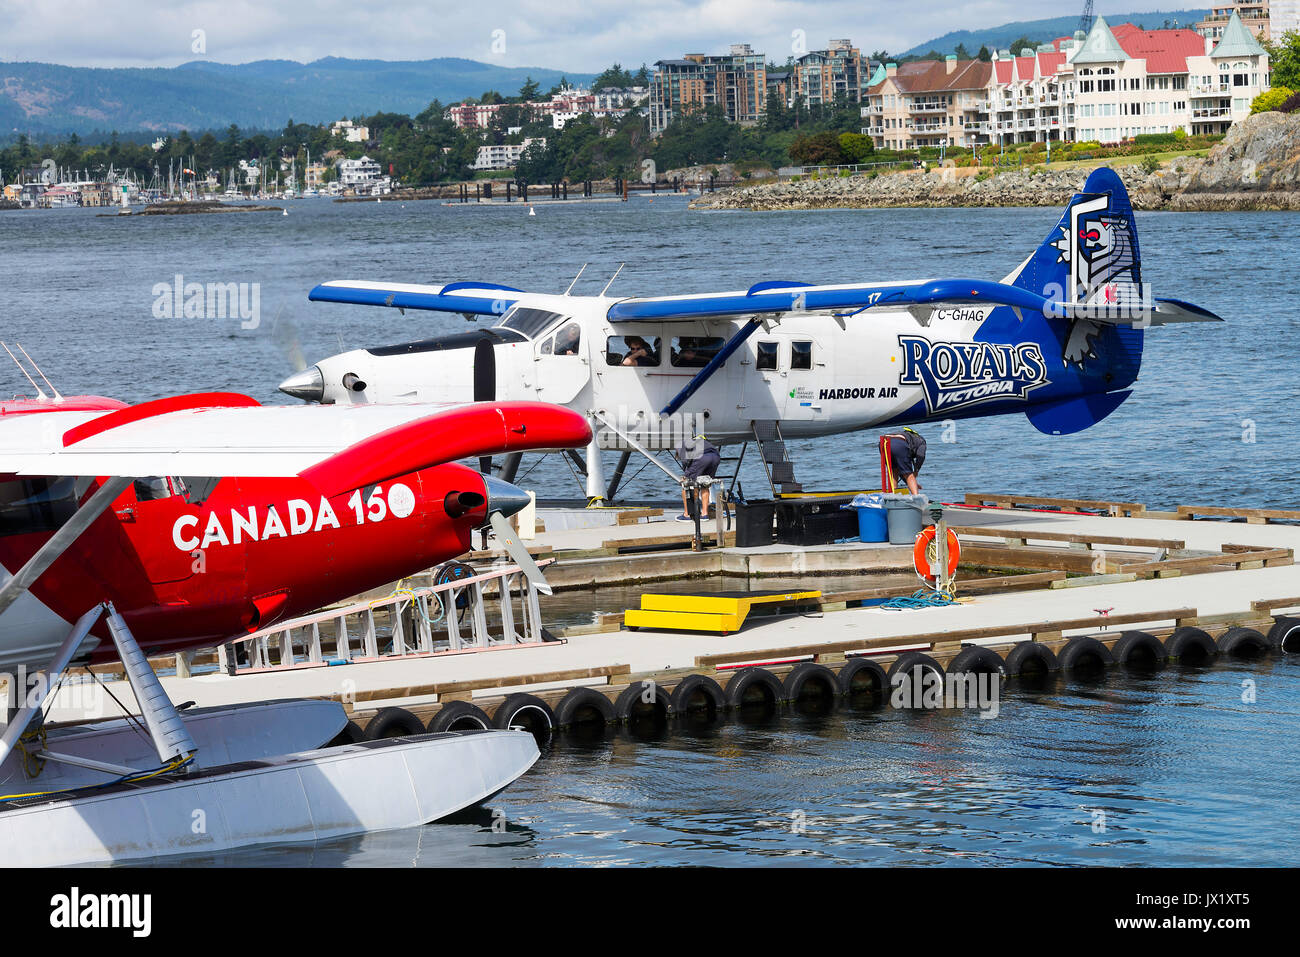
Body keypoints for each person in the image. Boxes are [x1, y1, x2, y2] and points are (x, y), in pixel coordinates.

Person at [675, 435, 721, 521]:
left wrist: (686, 475)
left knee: (686, 485)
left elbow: (685, 461)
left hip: (701, 458)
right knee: (705, 484)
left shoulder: (679, 445)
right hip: (715, 456)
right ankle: (704, 514)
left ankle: (687, 514)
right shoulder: (696, 440)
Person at [881, 427, 926, 495]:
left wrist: (910, 482)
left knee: (894, 472)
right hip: (899, 443)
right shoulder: (921, 440)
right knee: (909, 474)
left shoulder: (907, 436)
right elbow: (921, 456)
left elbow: (902, 471)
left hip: (883, 442)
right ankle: (916, 498)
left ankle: (893, 496)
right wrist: (916, 471)